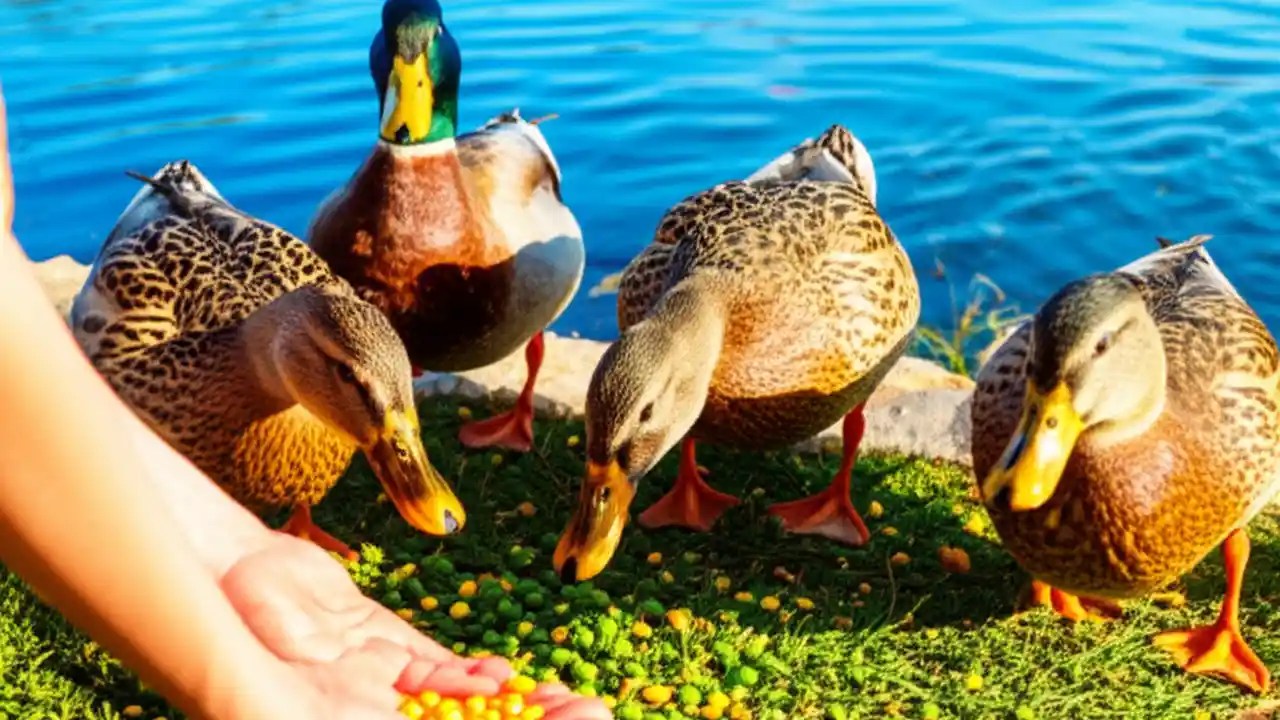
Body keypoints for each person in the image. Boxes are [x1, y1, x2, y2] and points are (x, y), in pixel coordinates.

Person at [0, 87, 608, 720]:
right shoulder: (141, 320)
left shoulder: (317, 307)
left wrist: (239, 555)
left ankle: (292, 507)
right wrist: (244, 686)